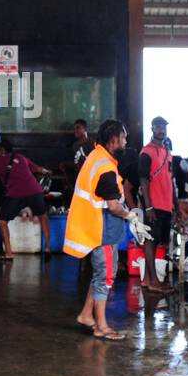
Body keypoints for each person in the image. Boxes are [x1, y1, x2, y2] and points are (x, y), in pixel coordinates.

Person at [65, 118, 137, 342]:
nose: (126, 141)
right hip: (102, 231)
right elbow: (113, 206)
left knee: (100, 276)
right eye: (123, 137)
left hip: (98, 229)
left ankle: (87, 315)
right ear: (114, 139)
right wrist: (130, 215)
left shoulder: (96, 157)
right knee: (105, 277)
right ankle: (102, 326)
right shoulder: (105, 166)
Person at [138, 116, 175, 295]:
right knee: (150, 241)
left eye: (164, 126)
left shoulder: (168, 152)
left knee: (156, 240)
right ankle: (154, 281)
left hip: (166, 204)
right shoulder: (147, 152)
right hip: (154, 204)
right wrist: (149, 206)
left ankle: (147, 279)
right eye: (158, 126)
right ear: (152, 128)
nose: (162, 129)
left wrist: (176, 204)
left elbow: (170, 179)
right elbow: (143, 180)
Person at [62, 119, 96, 186]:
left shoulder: (92, 144)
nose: (75, 131)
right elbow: (77, 162)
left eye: (78, 128)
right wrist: (66, 165)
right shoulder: (75, 145)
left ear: (85, 129)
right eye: (74, 129)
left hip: (89, 178)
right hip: (78, 177)